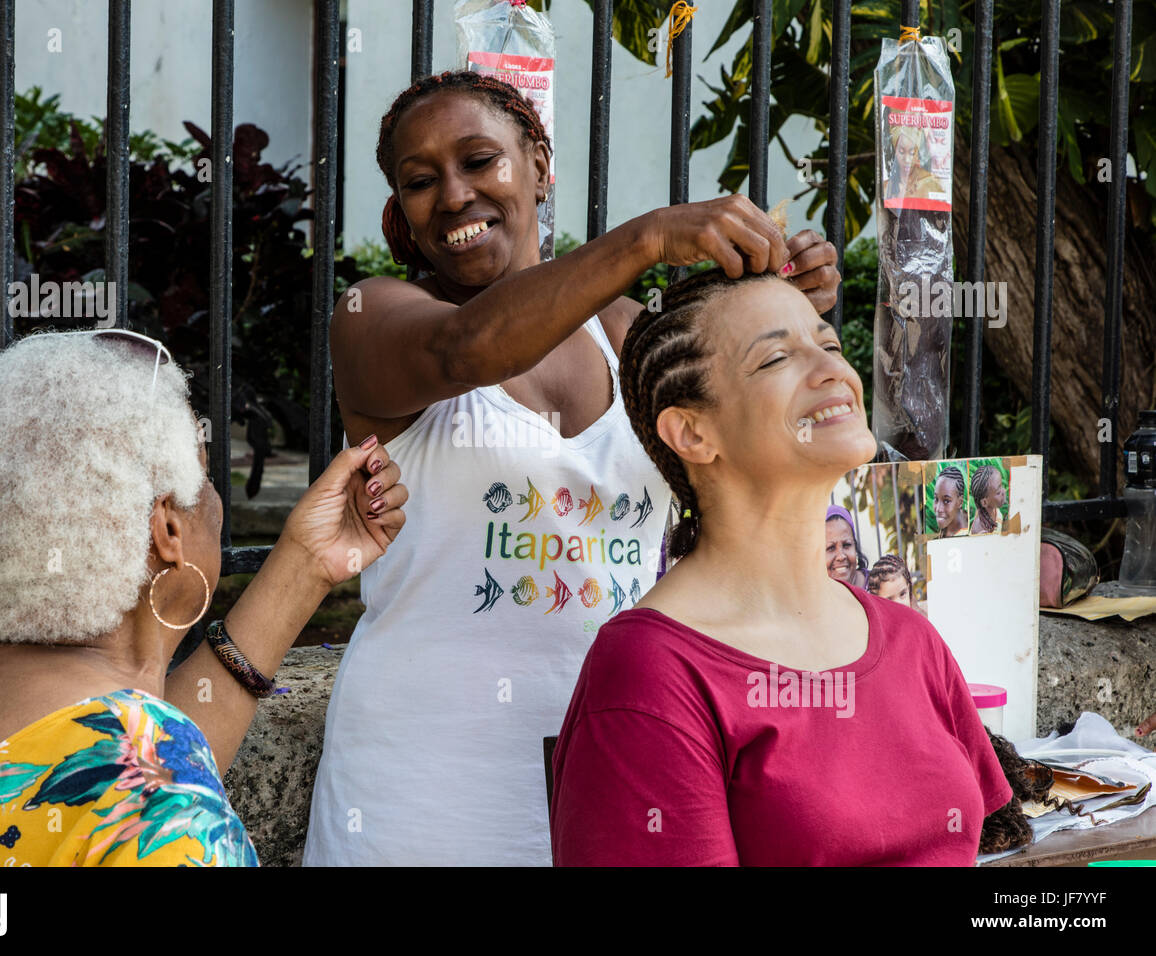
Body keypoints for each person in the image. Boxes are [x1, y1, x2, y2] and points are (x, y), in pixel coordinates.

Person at [305, 69, 843, 865]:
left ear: (540, 167)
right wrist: (648, 238)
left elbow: (757, 457)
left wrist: (780, 301)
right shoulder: (375, 319)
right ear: (401, 212)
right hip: (417, 797)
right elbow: (470, 349)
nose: (454, 196)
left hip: (622, 773)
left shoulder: (630, 334)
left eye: (480, 161)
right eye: (421, 181)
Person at [0, 329, 407, 866]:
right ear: (167, 530)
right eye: (207, 476)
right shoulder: (164, 808)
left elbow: (106, 778)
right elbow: (142, 792)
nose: (214, 500)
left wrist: (306, 565)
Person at [549, 268, 1011, 865]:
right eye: (774, 359)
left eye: (829, 344)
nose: (832, 371)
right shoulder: (651, 675)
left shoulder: (911, 639)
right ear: (691, 431)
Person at [825, 505, 869, 589]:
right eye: (831, 548)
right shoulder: (814, 598)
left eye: (846, 545)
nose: (841, 556)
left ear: (855, 547)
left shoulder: (880, 588)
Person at [933, 465, 969, 537]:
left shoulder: (963, 536)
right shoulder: (948, 526)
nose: (938, 509)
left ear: (960, 502)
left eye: (946, 501)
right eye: (936, 499)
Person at [969, 464, 1006, 535]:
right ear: (985, 502)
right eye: (998, 492)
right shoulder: (980, 532)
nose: (1003, 491)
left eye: (1002, 485)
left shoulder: (992, 509)